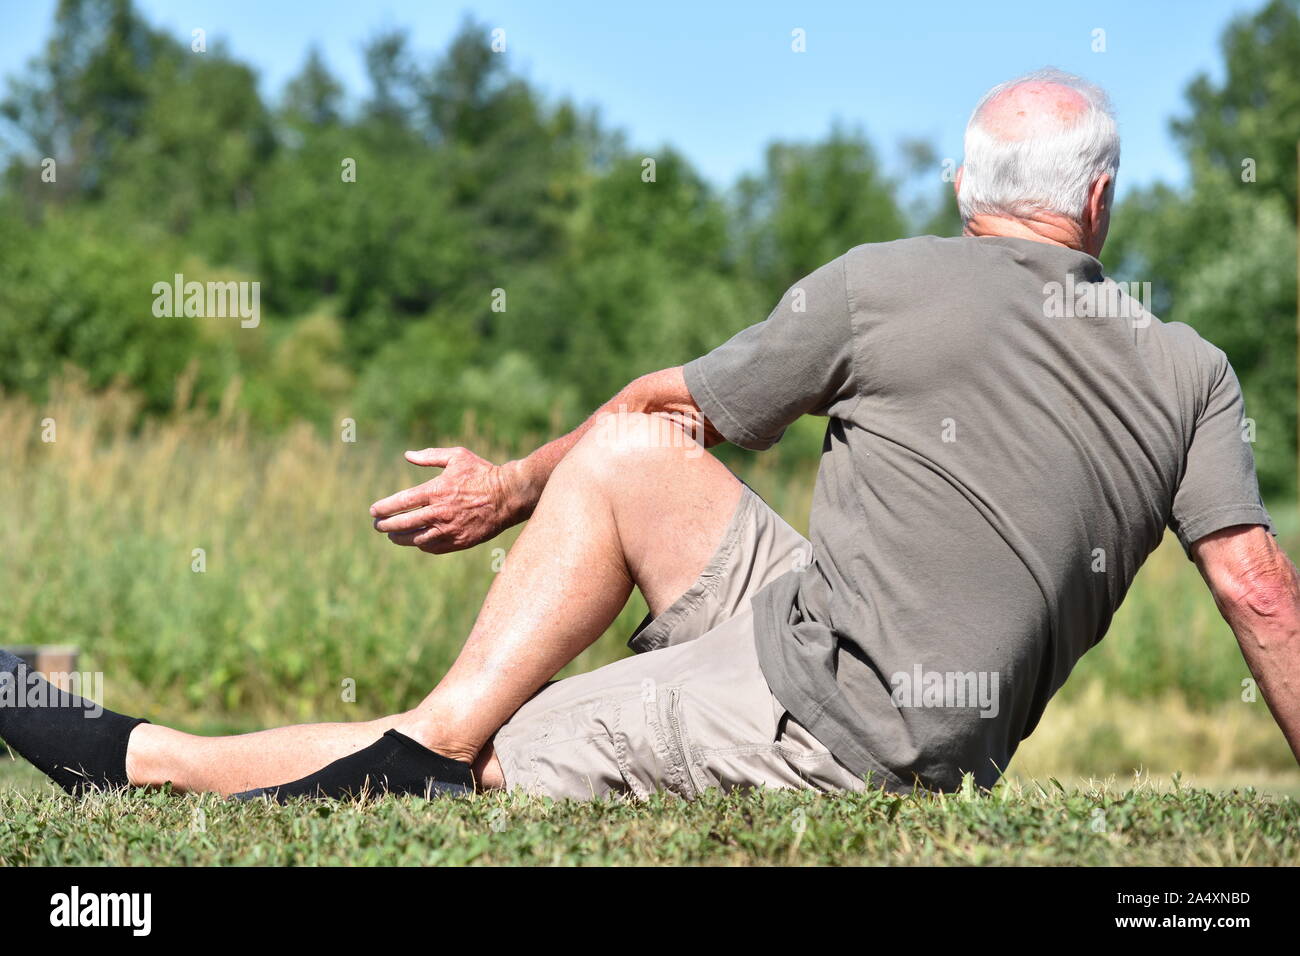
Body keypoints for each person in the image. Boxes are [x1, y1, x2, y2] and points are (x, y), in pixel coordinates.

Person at [2, 67, 1296, 802]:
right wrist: (526, 487)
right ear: (1103, 199)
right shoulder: (1189, 366)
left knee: (477, 756)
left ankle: (143, 762)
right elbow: (1257, 593)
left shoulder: (881, 281)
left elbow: (669, 387)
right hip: (886, 690)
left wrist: (499, 486)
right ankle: (434, 732)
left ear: (967, 193)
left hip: (836, 732)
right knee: (626, 462)